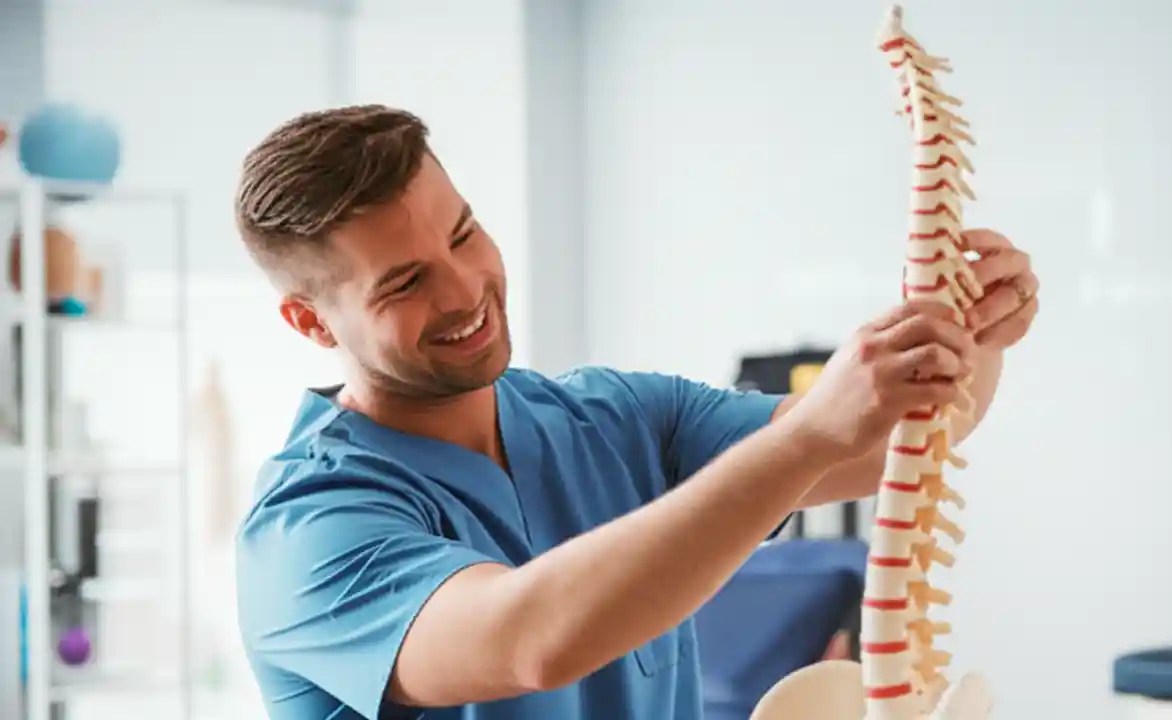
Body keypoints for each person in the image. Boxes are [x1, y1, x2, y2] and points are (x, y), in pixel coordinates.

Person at [233, 104, 1039, 720]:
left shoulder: (615, 418)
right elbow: (530, 640)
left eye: (465, 233)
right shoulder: (308, 532)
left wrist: (973, 335)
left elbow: (887, 446)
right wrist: (808, 434)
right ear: (310, 322)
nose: (464, 288)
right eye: (405, 284)